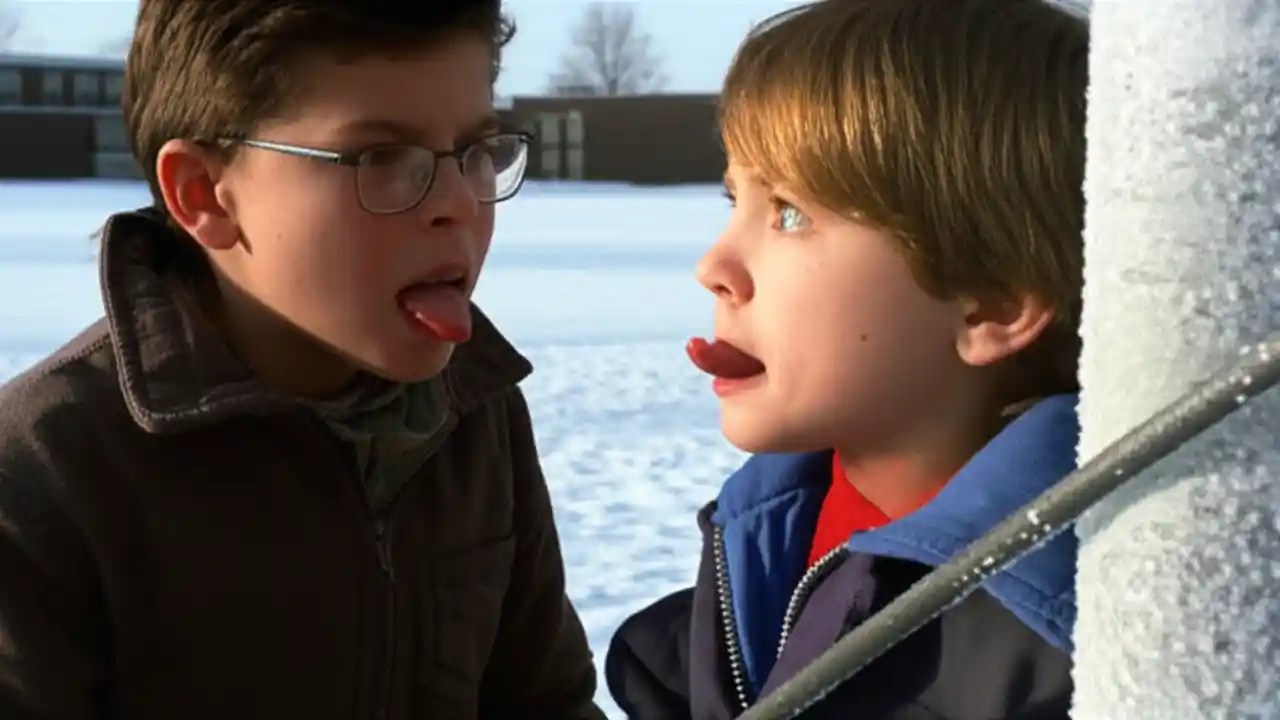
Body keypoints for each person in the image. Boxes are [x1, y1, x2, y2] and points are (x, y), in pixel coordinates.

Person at [0, 2, 604, 718]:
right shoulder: (46, 479)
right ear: (204, 194)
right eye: (383, 159)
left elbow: (546, 701)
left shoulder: (473, 411)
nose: (457, 204)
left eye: (477, 152)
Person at [606, 0, 1089, 717]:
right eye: (734, 197)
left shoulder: (1074, 652)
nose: (714, 265)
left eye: (790, 214)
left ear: (991, 305)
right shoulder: (763, 537)